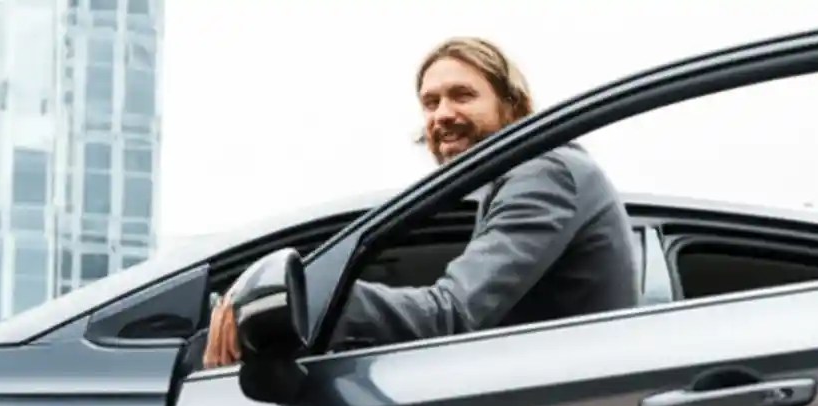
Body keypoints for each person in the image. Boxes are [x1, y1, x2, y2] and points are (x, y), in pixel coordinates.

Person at [202, 37, 638, 368]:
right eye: (430, 103)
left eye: (462, 95)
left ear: (513, 105)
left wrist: (308, 296)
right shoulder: (522, 178)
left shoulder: (545, 173)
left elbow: (450, 315)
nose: (441, 115)